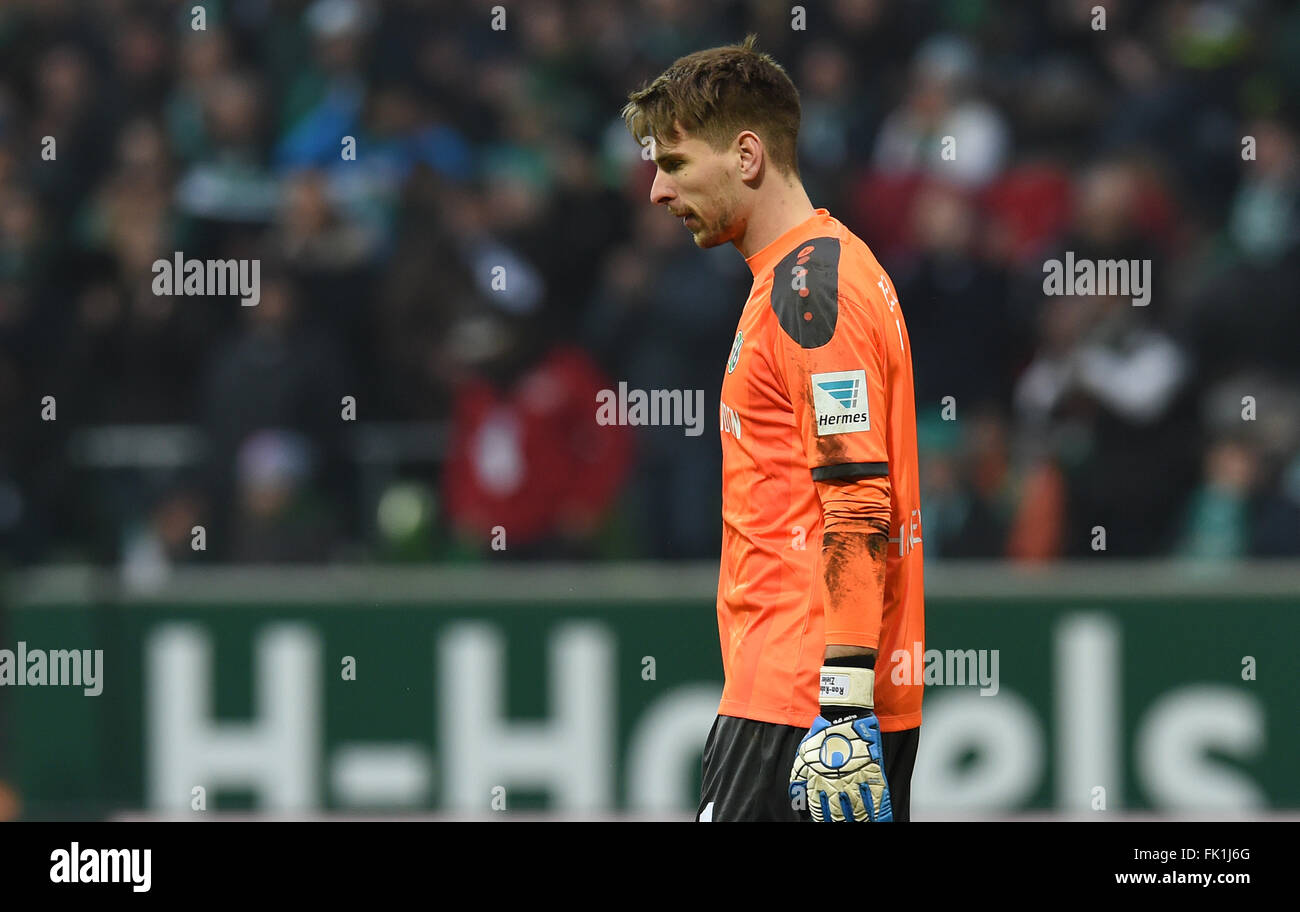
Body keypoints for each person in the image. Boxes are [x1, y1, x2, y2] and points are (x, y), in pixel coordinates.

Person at [622, 35, 924, 822]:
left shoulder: (810, 292)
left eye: (676, 163)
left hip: (799, 704)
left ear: (747, 155)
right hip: (815, 696)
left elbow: (858, 505)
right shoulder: (819, 271)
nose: (656, 190)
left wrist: (842, 711)